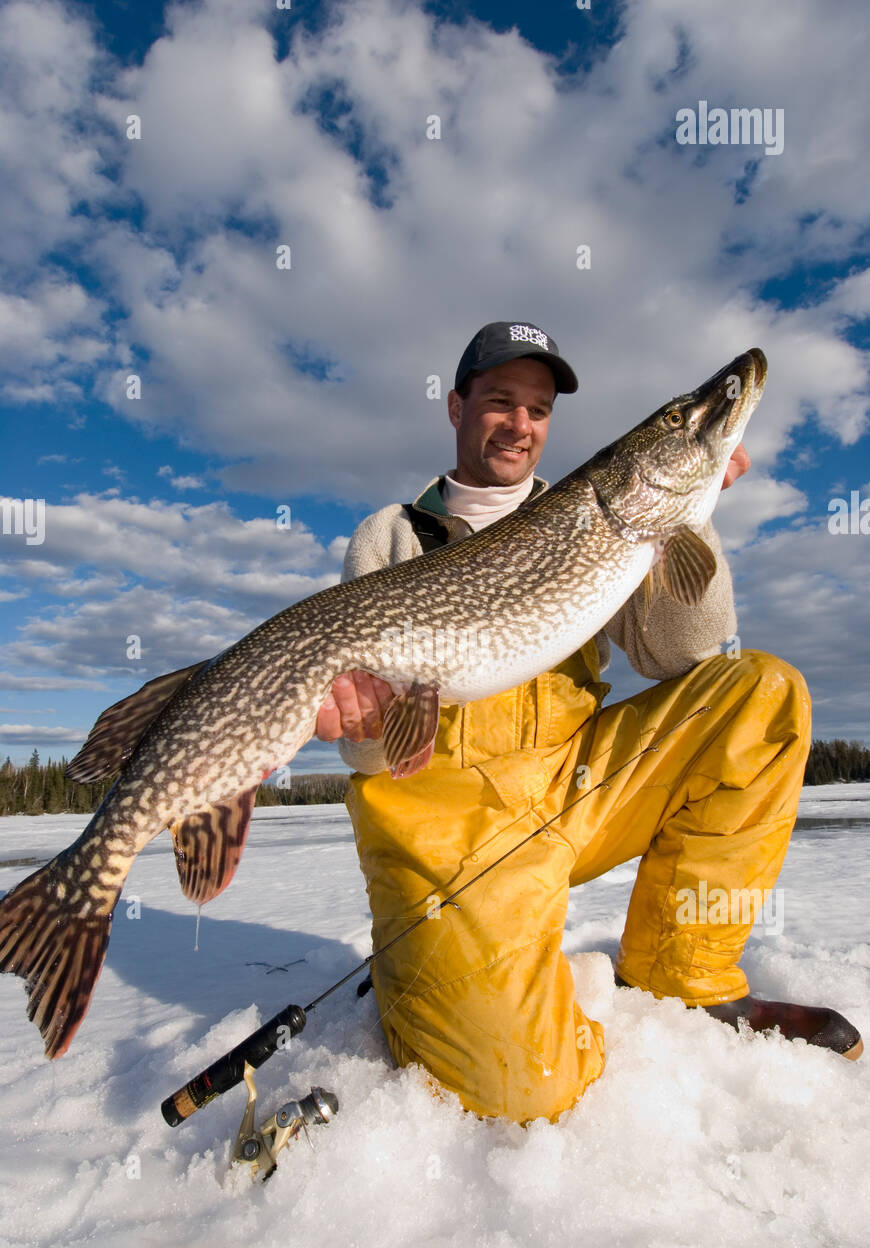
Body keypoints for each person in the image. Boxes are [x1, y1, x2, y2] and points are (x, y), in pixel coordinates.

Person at [315, 321, 862, 1125]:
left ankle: (683, 978)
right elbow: (371, 750)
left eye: (538, 410)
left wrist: (689, 514)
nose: (520, 424)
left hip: (574, 790)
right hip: (448, 828)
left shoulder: (603, 514)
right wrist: (363, 722)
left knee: (759, 694)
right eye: (500, 401)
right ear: (456, 406)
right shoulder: (391, 534)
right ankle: (445, 987)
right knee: (520, 1089)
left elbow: (688, 651)